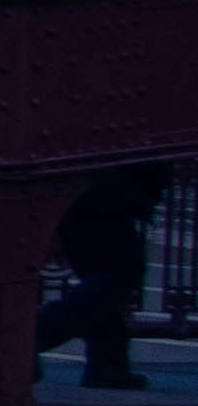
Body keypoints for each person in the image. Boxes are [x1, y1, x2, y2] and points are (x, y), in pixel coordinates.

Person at [42, 163, 172, 392]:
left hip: (95, 196)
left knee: (107, 280)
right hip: (104, 199)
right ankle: (32, 338)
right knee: (112, 280)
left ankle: (108, 365)